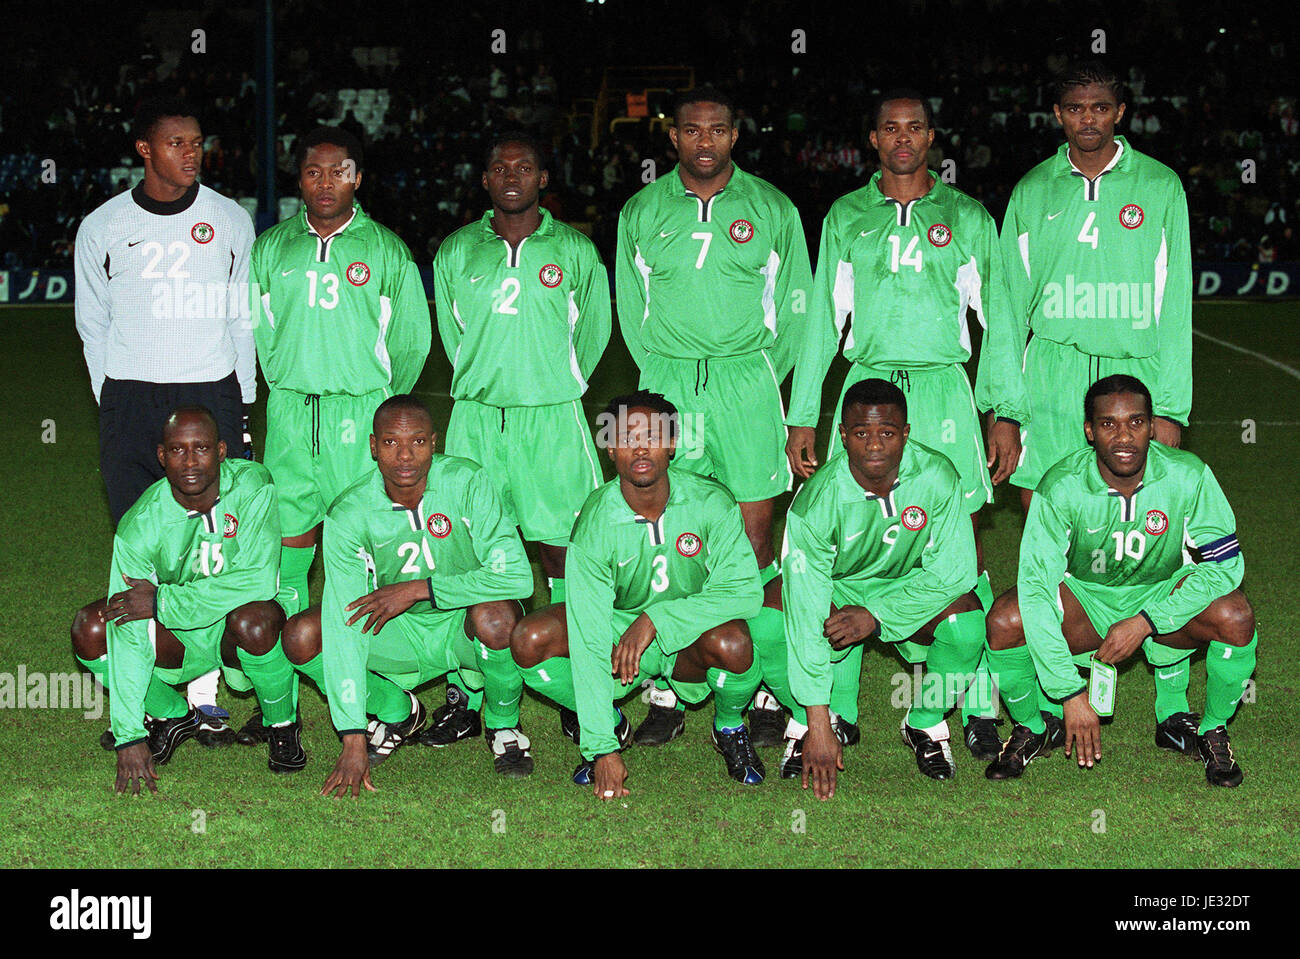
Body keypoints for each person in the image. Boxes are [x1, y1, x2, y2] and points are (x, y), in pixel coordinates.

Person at [786, 90, 1027, 761]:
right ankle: (837, 709)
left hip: (943, 389)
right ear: (872, 139)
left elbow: (1000, 321)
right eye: (890, 128)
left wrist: (1004, 412)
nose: (902, 138)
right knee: (847, 541)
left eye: (914, 127)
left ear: (931, 137)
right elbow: (820, 323)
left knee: (962, 543)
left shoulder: (967, 216)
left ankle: (974, 700)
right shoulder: (847, 215)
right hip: (866, 393)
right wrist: (802, 414)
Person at [615, 86, 813, 746]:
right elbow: (631, 311)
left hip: (746, 383)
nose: (706, 141)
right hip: (670, 382)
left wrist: (758, 376)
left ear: (735, 135)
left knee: (753, 539)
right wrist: (663, 375)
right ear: (672, 136)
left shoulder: (772, 208)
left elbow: (796, 309)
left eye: (718, 130)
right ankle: (670, 685)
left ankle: (761, 683)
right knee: (673, 535)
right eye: (692, 130)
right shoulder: (642, 209)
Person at [998, 60, 1194, 726]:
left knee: (1153, 535)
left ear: (1120, 113)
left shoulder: (1160, 186)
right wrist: (1006, 408)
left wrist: (1171, 405)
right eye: (1076, 108)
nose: (1089, 118)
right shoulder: (1032, 190)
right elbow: (1007, 307)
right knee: (1047, 531)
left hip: (1133, 376)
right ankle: (1063, 684)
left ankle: (1172, 706)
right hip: (1051, 375)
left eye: (1101, 107)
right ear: (1058, 115)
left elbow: (1175, 302)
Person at [74, 96, 256, 744]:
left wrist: (242, 404)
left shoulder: (230, 218)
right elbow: (92, 322)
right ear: (145, 150)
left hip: (210, 391)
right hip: (132, 398)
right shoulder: (102, 225)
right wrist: (112, 398)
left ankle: (204, 695)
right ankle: (151, 697)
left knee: (212, 542)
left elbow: (242, 317)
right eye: (176, 143)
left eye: (197, 142)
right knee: (141, 538)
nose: (191, 153)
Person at [247, 125, 432, 745]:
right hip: (291, 416)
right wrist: (292, 384)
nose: (325, 183)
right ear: (298, 179)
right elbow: (259, 332)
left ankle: (381, 686)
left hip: (361, 417)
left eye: (339, 171)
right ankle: (282, 697)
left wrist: (375, 407)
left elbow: (411, 344)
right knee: (286, 558)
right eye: (312, 172)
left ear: (358, 177)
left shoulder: (385, 249)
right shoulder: (271, 248)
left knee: (364, 559)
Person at [984, 376, 1255, 787]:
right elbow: (1037, 588)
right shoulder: (1060, 486)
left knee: (1235, 615)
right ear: (1089, 431)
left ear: (1152, 426)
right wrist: (1069, 692)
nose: (1124, 437)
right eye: (1108, 424)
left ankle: (1212, 730)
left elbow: (1226, 565)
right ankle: (1033, 727)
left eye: (1136, 422)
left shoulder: (1188, 475)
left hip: (1162, 597)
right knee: (1005, 620)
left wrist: (1147, 620)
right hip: (1087, 601)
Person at [509, 391, 767, 797]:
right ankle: (608, 723)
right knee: (530, 639)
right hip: (620, 634)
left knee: (733, 642)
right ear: (610, 450)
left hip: (691, 635)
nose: (641, 448)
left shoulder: (711, 501)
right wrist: (601, 748)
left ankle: (730, 725)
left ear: (673, 444)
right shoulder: (596, 521)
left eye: (653, 436)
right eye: (627, 438)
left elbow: (745, 593)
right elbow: (589, 634)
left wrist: (656, 620)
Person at [280, 396, 534, 795]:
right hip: (399, 634)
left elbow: (517, 577)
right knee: (303, 635)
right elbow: (344, 623)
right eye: (390, 443)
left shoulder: (467, 482)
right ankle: (396, 710)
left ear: (434, 442)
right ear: (372, 446)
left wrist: (420, 589)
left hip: (463, 625)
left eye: (417, 441)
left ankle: (504, 726)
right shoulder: (349, 513)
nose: (404, 456)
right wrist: (352, 735)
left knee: (497, 617)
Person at [70, 408, 302, 794]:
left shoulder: (253, 485)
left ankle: (282, 723)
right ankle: (173, 714)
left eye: (202, 448)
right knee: (93, 627)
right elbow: (127, 625)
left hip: (238, 630)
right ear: (162, 456)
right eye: (178, 450)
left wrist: (162, 602)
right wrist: (129, 735)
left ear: (222, 451)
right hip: (182, 638)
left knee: (255, 620)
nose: (190, 462)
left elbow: (259, 580)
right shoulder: (141, 524)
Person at [781, 379, 986, 797]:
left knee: (966, 625)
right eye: (861, 433)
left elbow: (957, 571)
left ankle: (924, 722)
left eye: (887, 433)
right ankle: (826, 716)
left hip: (910, 584)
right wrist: (817, 724)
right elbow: (805, 606)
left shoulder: (937, 475)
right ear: (842, 435)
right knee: (773, 622)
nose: (874, 445)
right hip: (838, 589)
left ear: (906, 433)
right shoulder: (815, 502)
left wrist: (876, 614)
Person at [431, 131, 608, 613]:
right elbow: (452, 336)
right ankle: (487, 651)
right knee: (474, 548)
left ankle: (566, 642)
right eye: (501, 169)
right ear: (485, 180)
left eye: (524, 168)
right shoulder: (456, 251)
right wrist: (487, 377)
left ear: (543, 178)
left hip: (552, 419)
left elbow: (593, 334)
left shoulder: (574, 249)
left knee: (563, 547)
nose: (512, 177)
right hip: (476, 419)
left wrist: (551, 380)